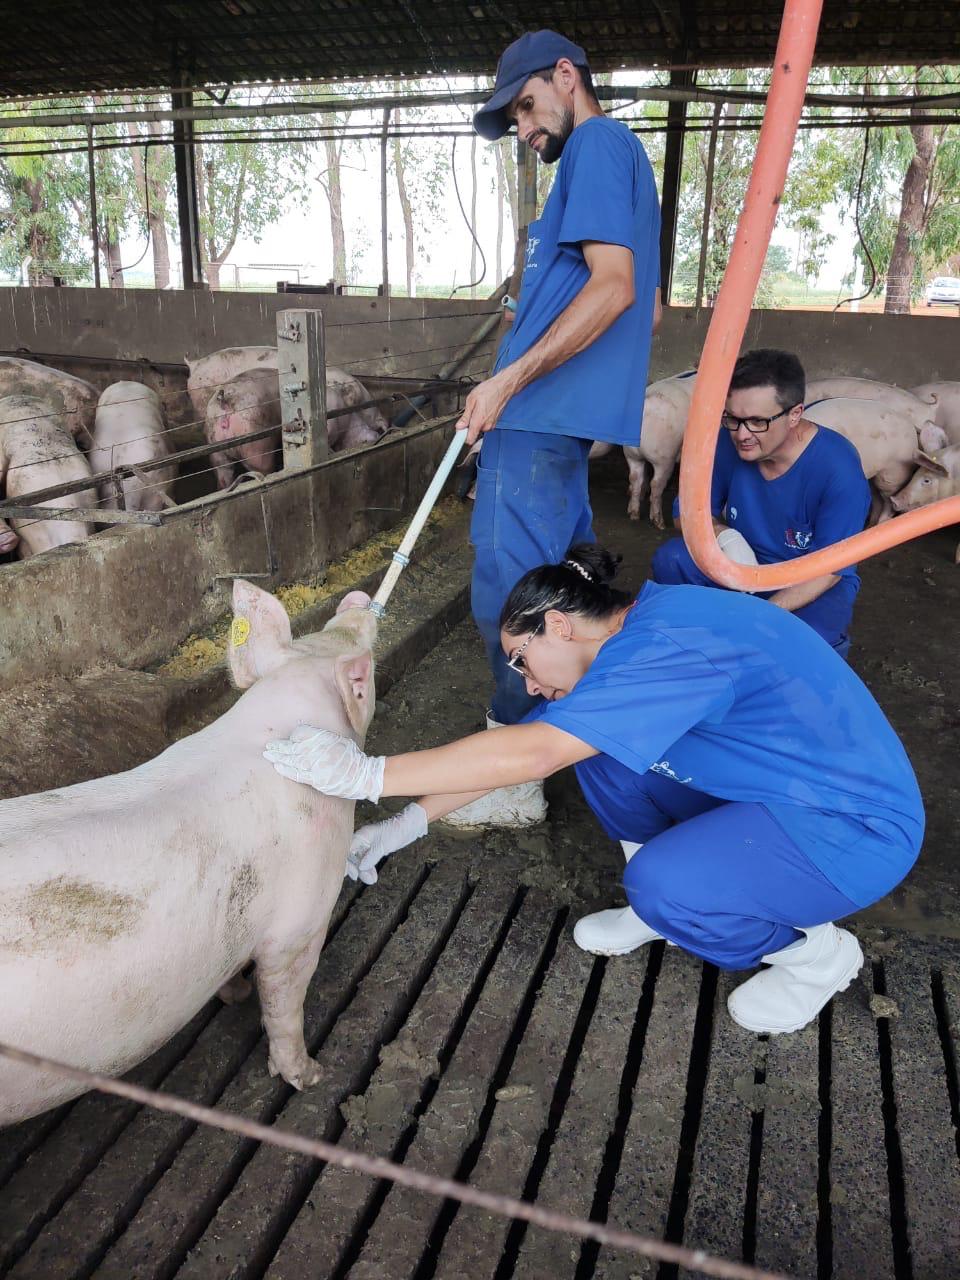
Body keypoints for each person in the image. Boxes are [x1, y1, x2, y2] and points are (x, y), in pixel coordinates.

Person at [262, 545, 924, 1036]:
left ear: (557, 623)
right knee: (599, 758)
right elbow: (530, 755)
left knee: (664, 885)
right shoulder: (637, 634)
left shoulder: (670, 646)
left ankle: (817, 956)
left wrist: (365, 774)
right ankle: (671, 903)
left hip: (850, 828)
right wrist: (407, 823)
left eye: (521, 659)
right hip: (767, 791)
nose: (524, 682)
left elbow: (537, 750)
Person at [449, 28, 661, 828]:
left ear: (566, 75)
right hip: (561, 418)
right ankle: (575, 732)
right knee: (570, 584)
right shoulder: (616, 160)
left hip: (538, 415)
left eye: (528, 107)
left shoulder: (598, 143)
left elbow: (614, 289)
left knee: (510, 598)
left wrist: (507, 378)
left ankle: (513, 772)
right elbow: (633, 296)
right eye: (514, 122)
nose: (525, 131)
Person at [653, 349, 871, 658]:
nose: (742, 434)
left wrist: (762, 613)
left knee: (806, 647)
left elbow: (830, 569)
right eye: (733, 419)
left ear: (795, 414)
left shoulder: (839, 469)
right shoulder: (725, 444)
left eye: (757, 422)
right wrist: (727, 537)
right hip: (741, 564)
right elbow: (685, 514)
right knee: (673, 558)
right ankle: (696, 647)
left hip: (810, 581)